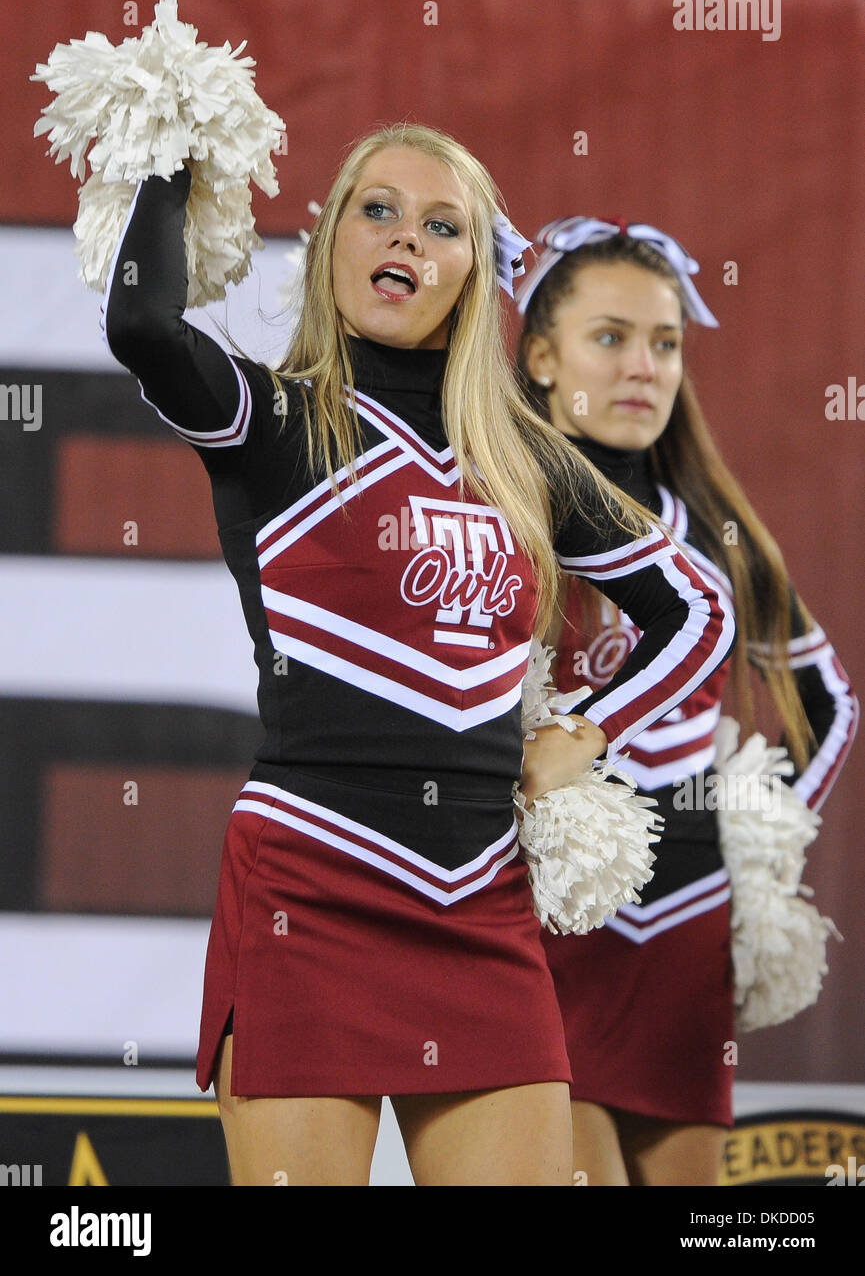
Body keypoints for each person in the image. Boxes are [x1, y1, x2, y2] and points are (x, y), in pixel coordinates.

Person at [101, 127, 733, 1186]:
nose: (407, 240)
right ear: (331, 240)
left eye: (445, 227)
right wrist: (173, 144)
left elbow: (696, 611)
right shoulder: (273, 419)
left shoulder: (519, 457)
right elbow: (142, 324)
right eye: (377, 210)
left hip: (479, 898)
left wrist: (584, 733)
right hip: (310, 883)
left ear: (475, 274)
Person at [515, 216, 858, 1186]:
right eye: (610, 337)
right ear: (540, 356)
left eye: (665, 342)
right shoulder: (501, 509)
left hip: (683, 932)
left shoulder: (712, 529)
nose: (644, 367)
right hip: (549, 929)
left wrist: (748, 837)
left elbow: (825, 703)